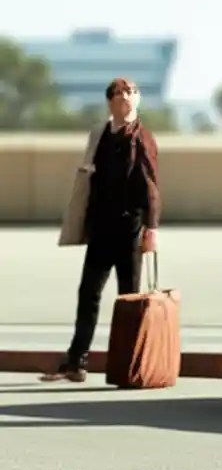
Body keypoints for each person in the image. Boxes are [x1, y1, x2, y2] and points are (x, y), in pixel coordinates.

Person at [42, 77, 160, 383]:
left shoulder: (142, 137)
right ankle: (76, 362)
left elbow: (150, 186)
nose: (125, 97)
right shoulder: (100, 135)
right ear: (110, 101)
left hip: (130, 230)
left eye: (130, 92)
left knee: (128, 300)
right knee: (88, 294)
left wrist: (151, 229)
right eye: (118, 93)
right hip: (101, 229)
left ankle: (131, 366)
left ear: (138, 98)